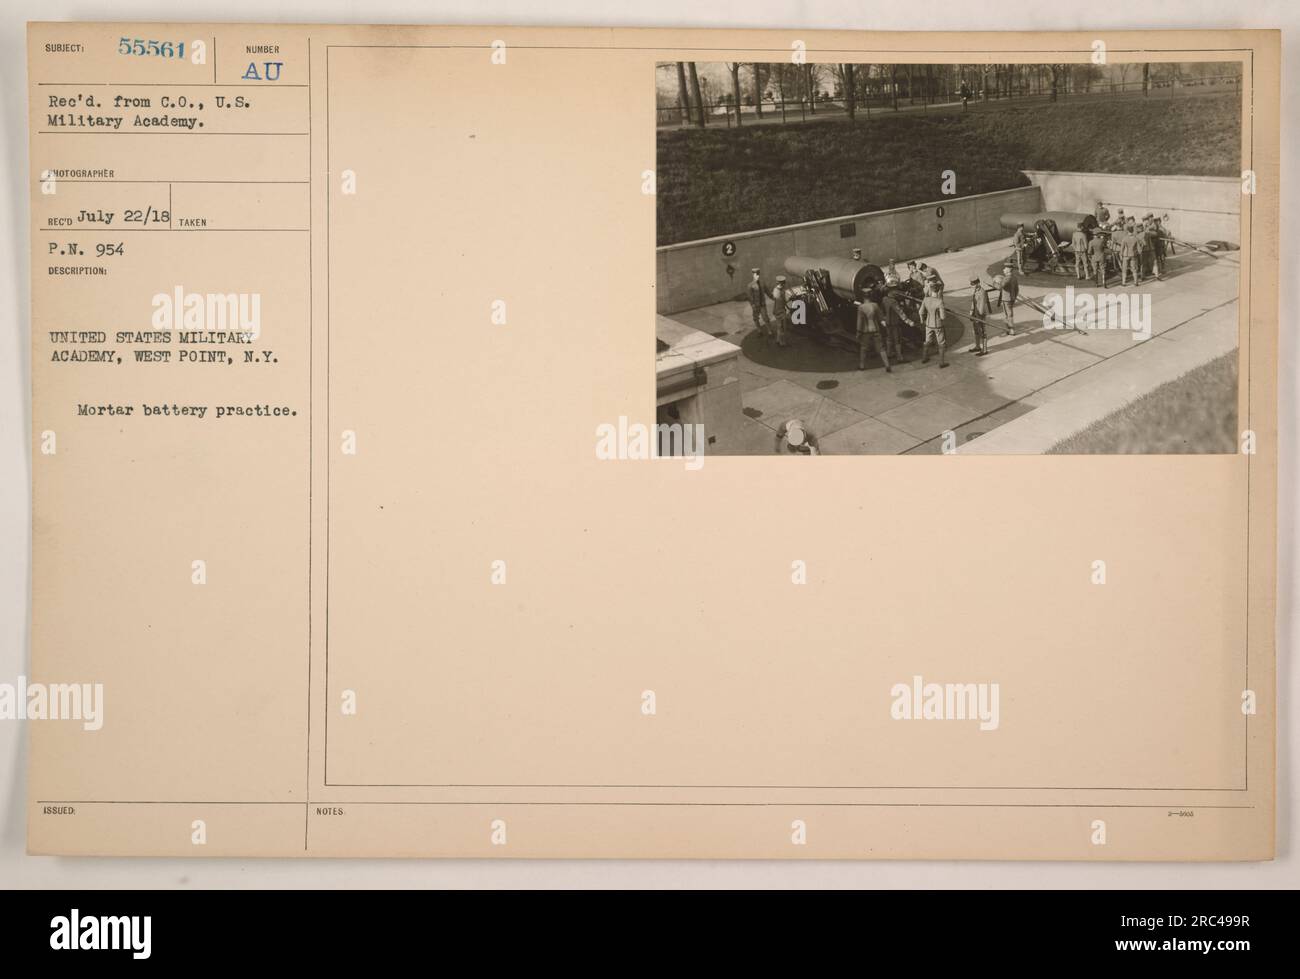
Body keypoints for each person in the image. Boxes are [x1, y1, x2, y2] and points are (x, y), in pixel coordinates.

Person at [855, 292, 890, 372]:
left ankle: (862, 365)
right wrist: (885, 326)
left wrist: (858, 332)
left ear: (863, 297)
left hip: (865, 331)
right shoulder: (875, 305)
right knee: (881, 348)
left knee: (863, 348)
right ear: (870, 297)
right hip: (876, 330)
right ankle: (887, 365)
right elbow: (881, 318)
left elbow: (859, 322)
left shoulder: (861, 307)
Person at [881, 288, 916, 362]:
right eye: (895, 290)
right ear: (891, 291)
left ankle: (889, 353)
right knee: (897, 339)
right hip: (894, 323)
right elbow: (900, 312)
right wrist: (908, 321)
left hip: (887, 322)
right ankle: (899, 357)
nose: (896, 292)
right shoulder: (893, 301)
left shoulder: (884, 299)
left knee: (889, 337)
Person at [919, 282, 948, 368]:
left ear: (931, 290)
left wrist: (922, 320)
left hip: (928, 324)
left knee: (927, 341)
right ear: (938, 290)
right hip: (938, 324)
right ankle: (941, 363)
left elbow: (920, 312)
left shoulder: (926, 299)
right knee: (941, 343)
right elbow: (943, 317)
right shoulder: (939, 301)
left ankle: (924, 358)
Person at [746, 268, 772, 341]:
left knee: (765, 318)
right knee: (755, 318)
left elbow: (768, 292)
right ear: (752, 274)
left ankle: (770, 331)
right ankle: (759, 330)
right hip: (756, 305)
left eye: (757, 274)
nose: (756, 275)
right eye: (755, 274)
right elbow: (750, 297)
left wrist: (773, 297)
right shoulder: (750, 285)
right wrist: (753, 305)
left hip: (762, 304)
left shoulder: (762, 283)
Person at [968, 276, 990, 356]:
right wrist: (971, 313)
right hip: (975, 314)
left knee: (983, 332)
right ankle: (977, 347)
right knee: (976, 331)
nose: (972, 285)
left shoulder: (982, 292)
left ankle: (984, 350)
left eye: (973, 284)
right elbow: (973, 303)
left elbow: (982, 306)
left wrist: (979, 318)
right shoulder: (975, 290)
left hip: (980, 315)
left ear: (977, 283)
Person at [999, 265, 1019, 335]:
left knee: (1008, 315)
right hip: (1011, 298)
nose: (1003, 270)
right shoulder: (1014, 277)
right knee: (1009, 314)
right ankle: (1009, 329)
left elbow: (1002, 286)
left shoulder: (1007, 278)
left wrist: (1000, 280)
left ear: (1008, 270)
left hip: (1006, 299)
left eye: (1005, 269)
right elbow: (1017, 289)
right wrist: (1014, 297)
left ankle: (1010, 330)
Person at [771, 275, 791, 347]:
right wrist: (790, 298)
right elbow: (783, 301)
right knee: (782, 327)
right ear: (782, 283)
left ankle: (778, 340)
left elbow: (776, 298)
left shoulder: (775, 290)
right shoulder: (781, 291)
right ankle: (782, 342)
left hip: (776, 310)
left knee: (779, 326)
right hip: (780, 311)